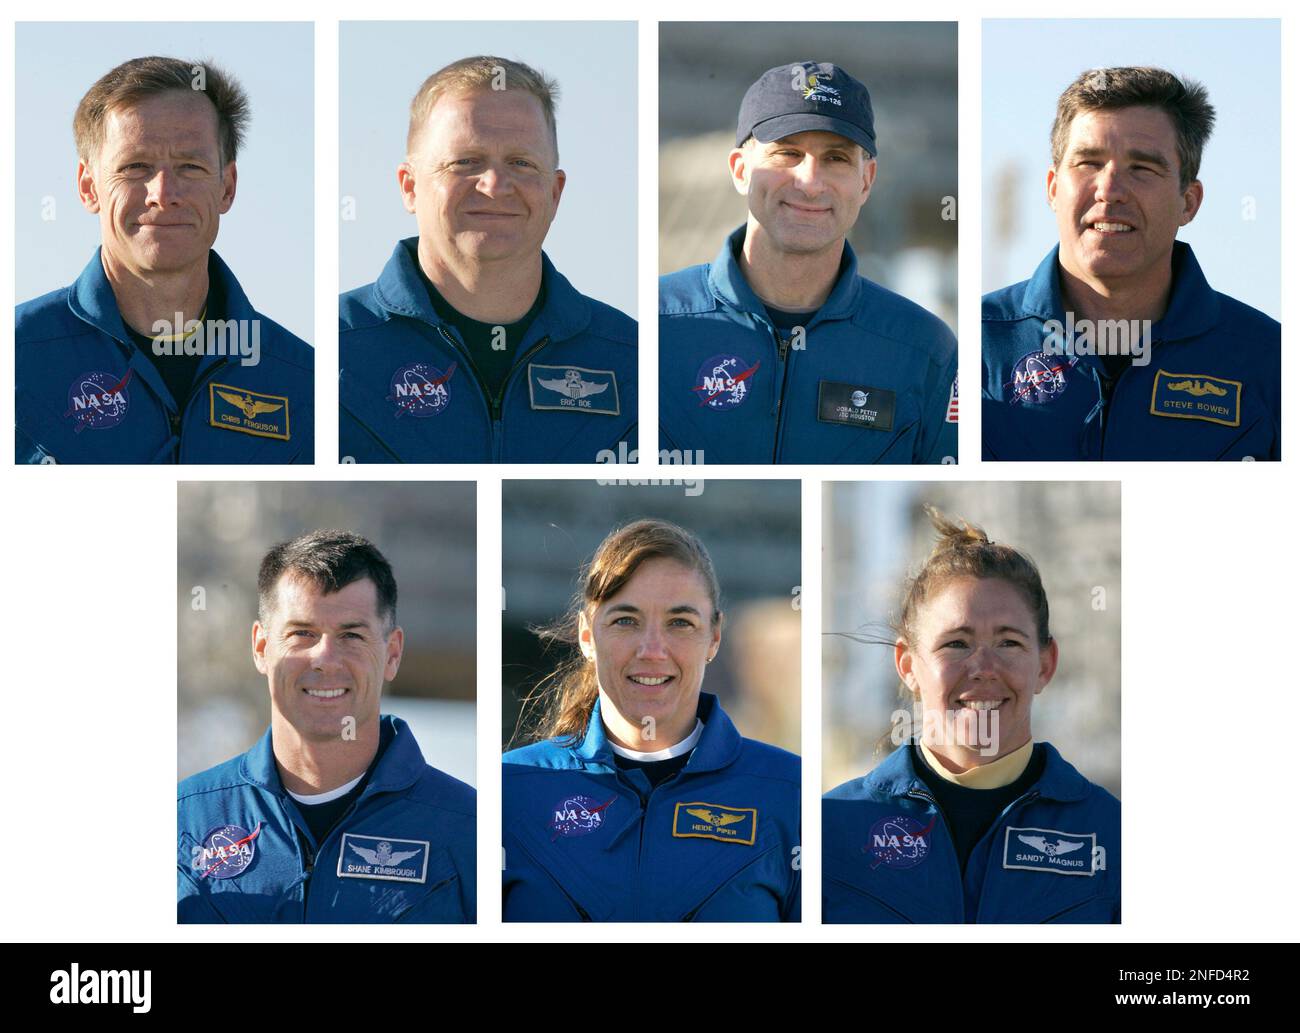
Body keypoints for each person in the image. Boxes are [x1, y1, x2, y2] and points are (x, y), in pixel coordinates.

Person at [823, 509, 1120, 923]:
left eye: (1009, 643)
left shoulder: (1112, 835)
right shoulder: (828, 831)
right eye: (957, 643)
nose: (983, 667)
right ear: (908, 665)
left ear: (1045, 664)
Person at [16, 56, 314, 464]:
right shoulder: (17, 357)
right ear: (89, 188)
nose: (163, 192)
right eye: (135, 167)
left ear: (227, 187)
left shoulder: (309, 382)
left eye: (190, 166)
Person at [339, 55, 637, 463]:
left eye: (521, 163)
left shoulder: (636, 359)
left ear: (555, 192)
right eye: (466, 162)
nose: (496, 185)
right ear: (409, 187)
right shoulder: (328, 351)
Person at [659, 61, 957, 464]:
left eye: (835, 158)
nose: (811, 182)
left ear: (866, 180)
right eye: (787, 153)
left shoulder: (924, 352)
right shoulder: (653, 324)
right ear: (740, 170)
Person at [502, 518, 800, 921]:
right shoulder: (509, 791)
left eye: (680, 623)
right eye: (626, 620)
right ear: (588, 636)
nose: (652, 650)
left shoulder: (790, 795)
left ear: (713, 638)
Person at [982, 66, 1280, 460]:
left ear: (1188, 202)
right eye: (1088, 163)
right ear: (1053, 189)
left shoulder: (1271, 361)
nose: (1109, 190)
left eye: (1141, 168)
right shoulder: (974, 346)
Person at [178, 530, 476, 923]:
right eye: (302, 633)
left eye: (351, 635)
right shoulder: (183, 818)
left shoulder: (471, 830)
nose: (325, 659)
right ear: (262, 648)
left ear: (393, 653)